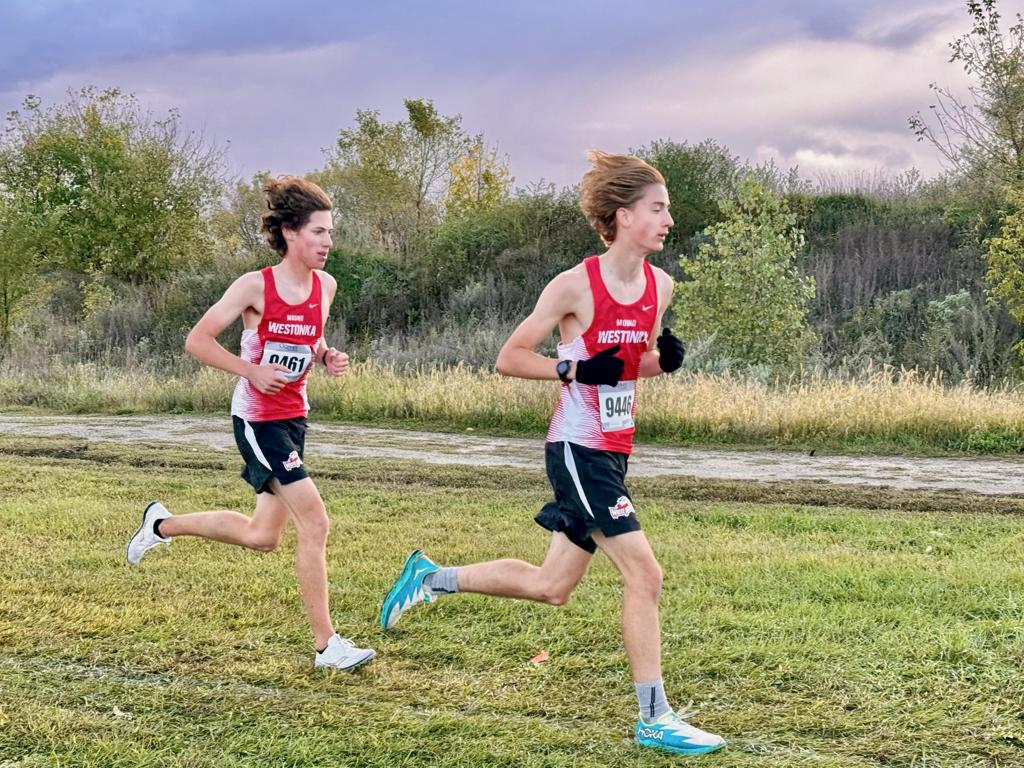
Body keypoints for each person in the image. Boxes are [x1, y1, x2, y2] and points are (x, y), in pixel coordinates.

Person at [380, 151, 725, 755]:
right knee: (645, 573)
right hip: (576, 448)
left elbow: (626, 364)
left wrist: (660, 361)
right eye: (658, 208)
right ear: (623, 216)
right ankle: (654, 717)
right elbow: (511, 359)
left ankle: (431, 577)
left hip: (615, 448)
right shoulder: (575, 286)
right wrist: (571, 365)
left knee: (552, 585)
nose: (669, 220)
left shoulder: (659, 286)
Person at [127, 176, 375, 671]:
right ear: (289, 232)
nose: (328, 242)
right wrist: (251, 370)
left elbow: (311, 339)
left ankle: (160, 523)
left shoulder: (325, 286)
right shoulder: (254, 287)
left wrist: (326, 355)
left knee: (263, 535)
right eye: (318, 232)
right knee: (316, 521)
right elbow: (197, 341)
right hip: (259, 421)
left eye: (330, 232)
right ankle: (328, 645)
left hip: (294, 416)